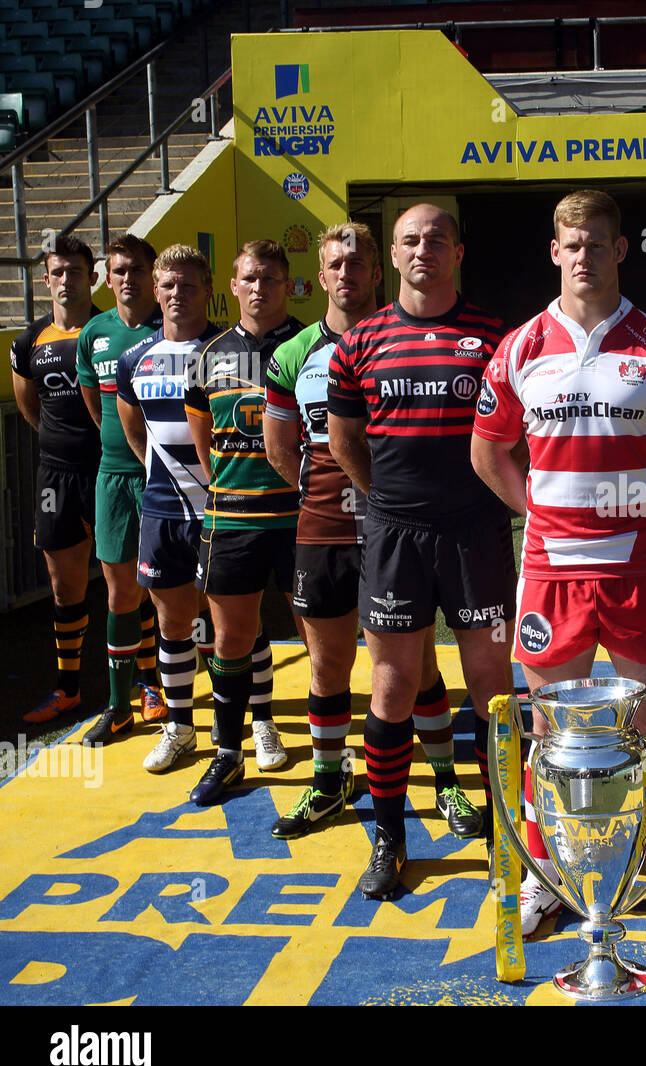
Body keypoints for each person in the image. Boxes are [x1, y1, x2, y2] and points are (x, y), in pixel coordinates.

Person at [472, 189, 646, 941]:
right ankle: (553, 881)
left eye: (598, 244)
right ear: (555, 253)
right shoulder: (521, 346)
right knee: (554, 741)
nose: (584, 255)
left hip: (640, 569)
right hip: (550, 575)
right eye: (571, 244)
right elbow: (486, 451)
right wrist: (538, 511)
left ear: (621, 251)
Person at [329, 204, 516, 899]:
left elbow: (513, 438)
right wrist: (392, 503)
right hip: (395, 536)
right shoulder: (361, 340)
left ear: (458, 251)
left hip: (476, 535)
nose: (423, 249)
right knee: (392, 686)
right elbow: (344, 440)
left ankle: (508, 833)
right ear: (394, 254)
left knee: (493, 687)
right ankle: (389, 834)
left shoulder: (496, 335)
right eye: (410, 239)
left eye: (436, 238)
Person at [263, 222, 380, 837]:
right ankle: (327, 782)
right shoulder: (292, 353)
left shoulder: (403, 338)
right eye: (336, 264)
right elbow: (281, 449)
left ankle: (441, 783)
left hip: (395, 529)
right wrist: (322, 497)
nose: (346, 274)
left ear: (375, 273)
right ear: (322, 274)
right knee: (326, 664)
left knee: (411, 665)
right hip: (323, 526)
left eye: (357, 264)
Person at [184, 240, 304, 805]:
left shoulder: (311, 344)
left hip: (304, 519)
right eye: (250, 278)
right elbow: (202, 435)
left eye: (272, 279)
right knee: (230, 639)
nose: (260, 288)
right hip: (232, 517)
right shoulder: (208, 353)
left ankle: (337, 759)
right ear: (232, 286)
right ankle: (227, 754)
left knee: (324, 642)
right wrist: (228, 485)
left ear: (289, 284)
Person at [117, 245, 223, 773]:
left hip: (224, 509)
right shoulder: (135, 358)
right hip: (162, 509)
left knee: (233, 620)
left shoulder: (228, 352)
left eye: (189, 284)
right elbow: (132, 427)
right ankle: (179, 727)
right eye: (169, 285)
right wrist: (167, 478)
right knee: (172, 619)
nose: (178, 294)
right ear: (156, 291)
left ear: (207, 289)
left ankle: (257, 724)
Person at [75, 234, 167, 745]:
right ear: (107, 279)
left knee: (183, 596)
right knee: (120, 594)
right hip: (113, 476)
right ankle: (120, 705)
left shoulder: (171, 328)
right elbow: (97, 406)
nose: (127, 279)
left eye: (136, 269)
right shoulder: (95, 333)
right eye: (119, 271)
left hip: (169, 477)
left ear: (152, 276)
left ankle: (171, 694)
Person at [10, 236, 101, 725]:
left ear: (93, 276)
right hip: (56, 476)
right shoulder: (28, 344)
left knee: (130, 583)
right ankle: (67, 691)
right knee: (64, 589)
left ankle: (150, 684)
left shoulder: (113, 332)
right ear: (46, 279)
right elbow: (30, 408)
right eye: (58, 272)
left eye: (76, 271)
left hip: (110, 472)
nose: (67, 280)